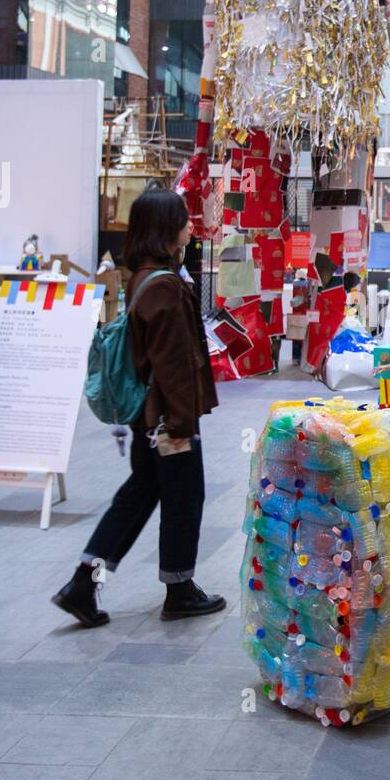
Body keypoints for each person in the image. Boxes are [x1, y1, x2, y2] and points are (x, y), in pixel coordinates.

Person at [52, 188, 225, 627]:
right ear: (167, 229)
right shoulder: (164, 287)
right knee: (184, 497)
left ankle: (83, 584)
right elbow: (173, 366)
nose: (191, 226)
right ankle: (180, 590)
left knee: (138, 494)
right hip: (165, 420)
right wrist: (182, 422)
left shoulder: (145, 277)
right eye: (184, 220)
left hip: (145, 416)